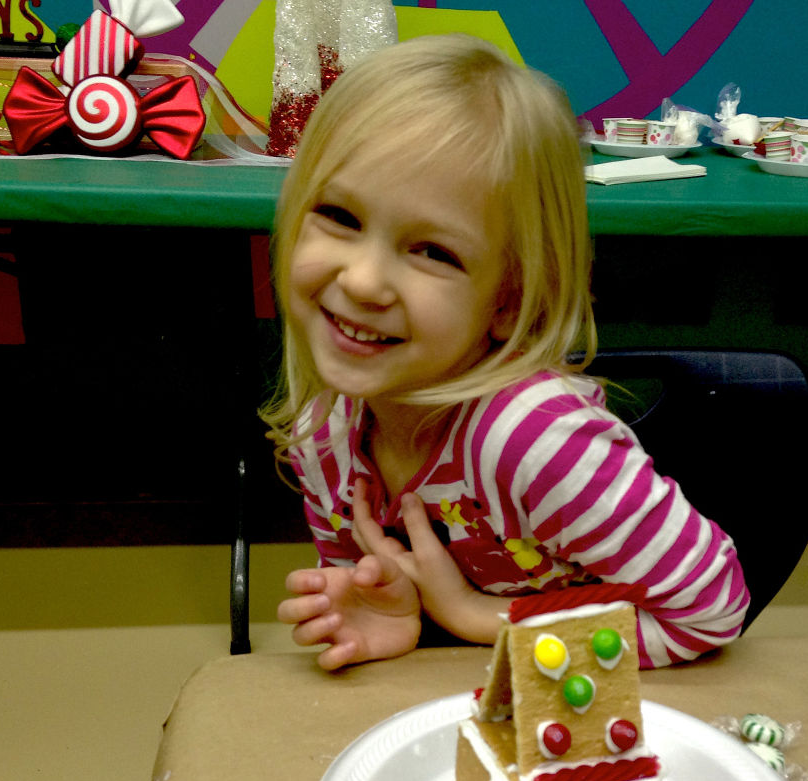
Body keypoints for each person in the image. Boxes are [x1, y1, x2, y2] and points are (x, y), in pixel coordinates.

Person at [262, 34, 748, 669]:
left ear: (509, 301)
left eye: (433, 252)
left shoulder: (533, 440)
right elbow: (379, 597)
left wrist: (474, 616)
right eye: (339, 216)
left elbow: (710, 611)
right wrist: (391, 607)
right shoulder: (323, 433)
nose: (361, 281)